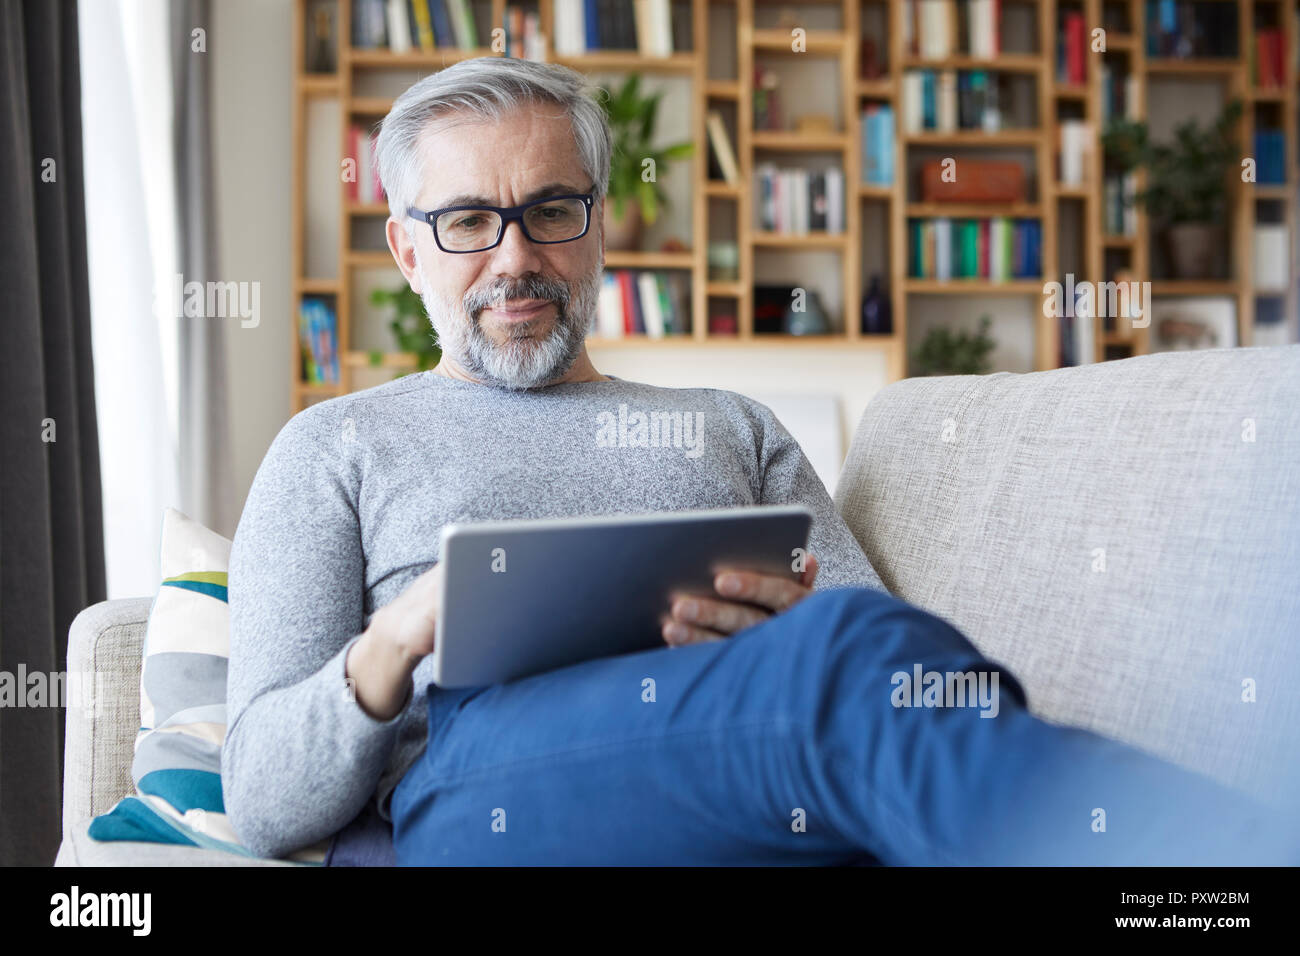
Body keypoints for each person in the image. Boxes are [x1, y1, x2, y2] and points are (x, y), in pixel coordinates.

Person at [223, 58, 1294, 866]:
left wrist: (779, 628)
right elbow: (262, 792)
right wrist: (399, 638)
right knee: (834, 677)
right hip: (482, 780)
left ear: (597, 230)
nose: (514, 257)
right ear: (409, 249)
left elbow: (879, 645)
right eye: (467, 221)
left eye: (550, 210)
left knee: (851, 662)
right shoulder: (337, 446)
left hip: (744, 758)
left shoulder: (728, 422)